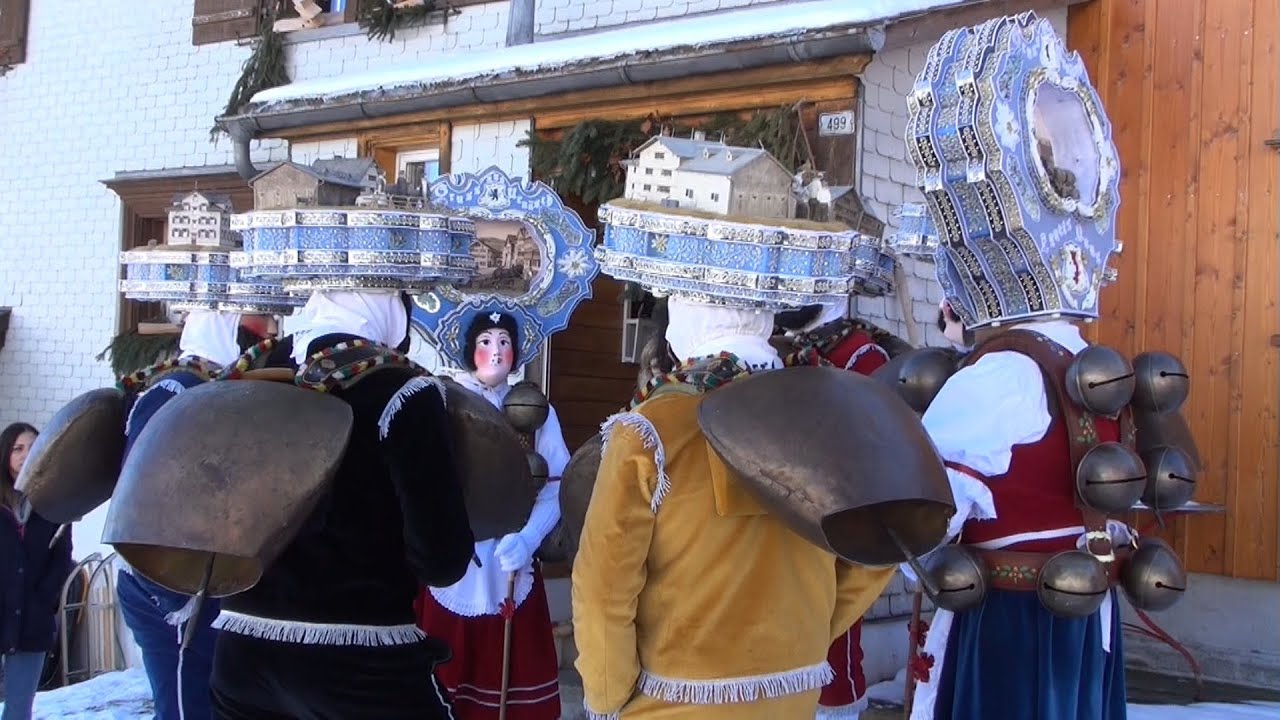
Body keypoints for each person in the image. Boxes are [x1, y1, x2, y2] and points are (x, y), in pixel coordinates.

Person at [572, 295, 896, 719]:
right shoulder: (832, 416)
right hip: (791, 689)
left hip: (674, 697)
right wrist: (809, 634)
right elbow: (878, 550)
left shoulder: (650, 430)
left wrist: (608, 696)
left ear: (684, 317)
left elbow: (603, 587)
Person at [208, 290, 475, 720]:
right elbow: (441, 560)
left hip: (242, 652)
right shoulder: (402, 388)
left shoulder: (250, 374)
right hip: (358, 659)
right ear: (389, 301)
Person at [115, 309, 276, 720]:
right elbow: (151, 499)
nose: (269, 336)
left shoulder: (188, 385)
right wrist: (181, 596)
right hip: (176, 584)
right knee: (188, 707)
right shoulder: (184, 391)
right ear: (230, 333)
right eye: (258, 329)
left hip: (184, 580)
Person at [415, 310, 570, 720]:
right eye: (486, 341)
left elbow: (558, 482)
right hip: (453, 566)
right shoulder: (442, 401)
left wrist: (529, 538)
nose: (496, 351)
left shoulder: (537, 411)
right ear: (470, 349)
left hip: (512, 569)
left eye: (504, 341)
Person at [774, 302, 892, 720]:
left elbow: (877, 450)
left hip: (833, 530)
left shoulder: (863, 356)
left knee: (828, 648)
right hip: (774, 529)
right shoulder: (774, 352)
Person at [0, 422, 74, 720]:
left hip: (32, 623)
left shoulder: (53, 505)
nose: (25, 454)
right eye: (18, 448)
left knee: (18, 712)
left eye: (33, 447)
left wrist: (43, 602)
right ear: (5, 453)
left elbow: (61, 558)